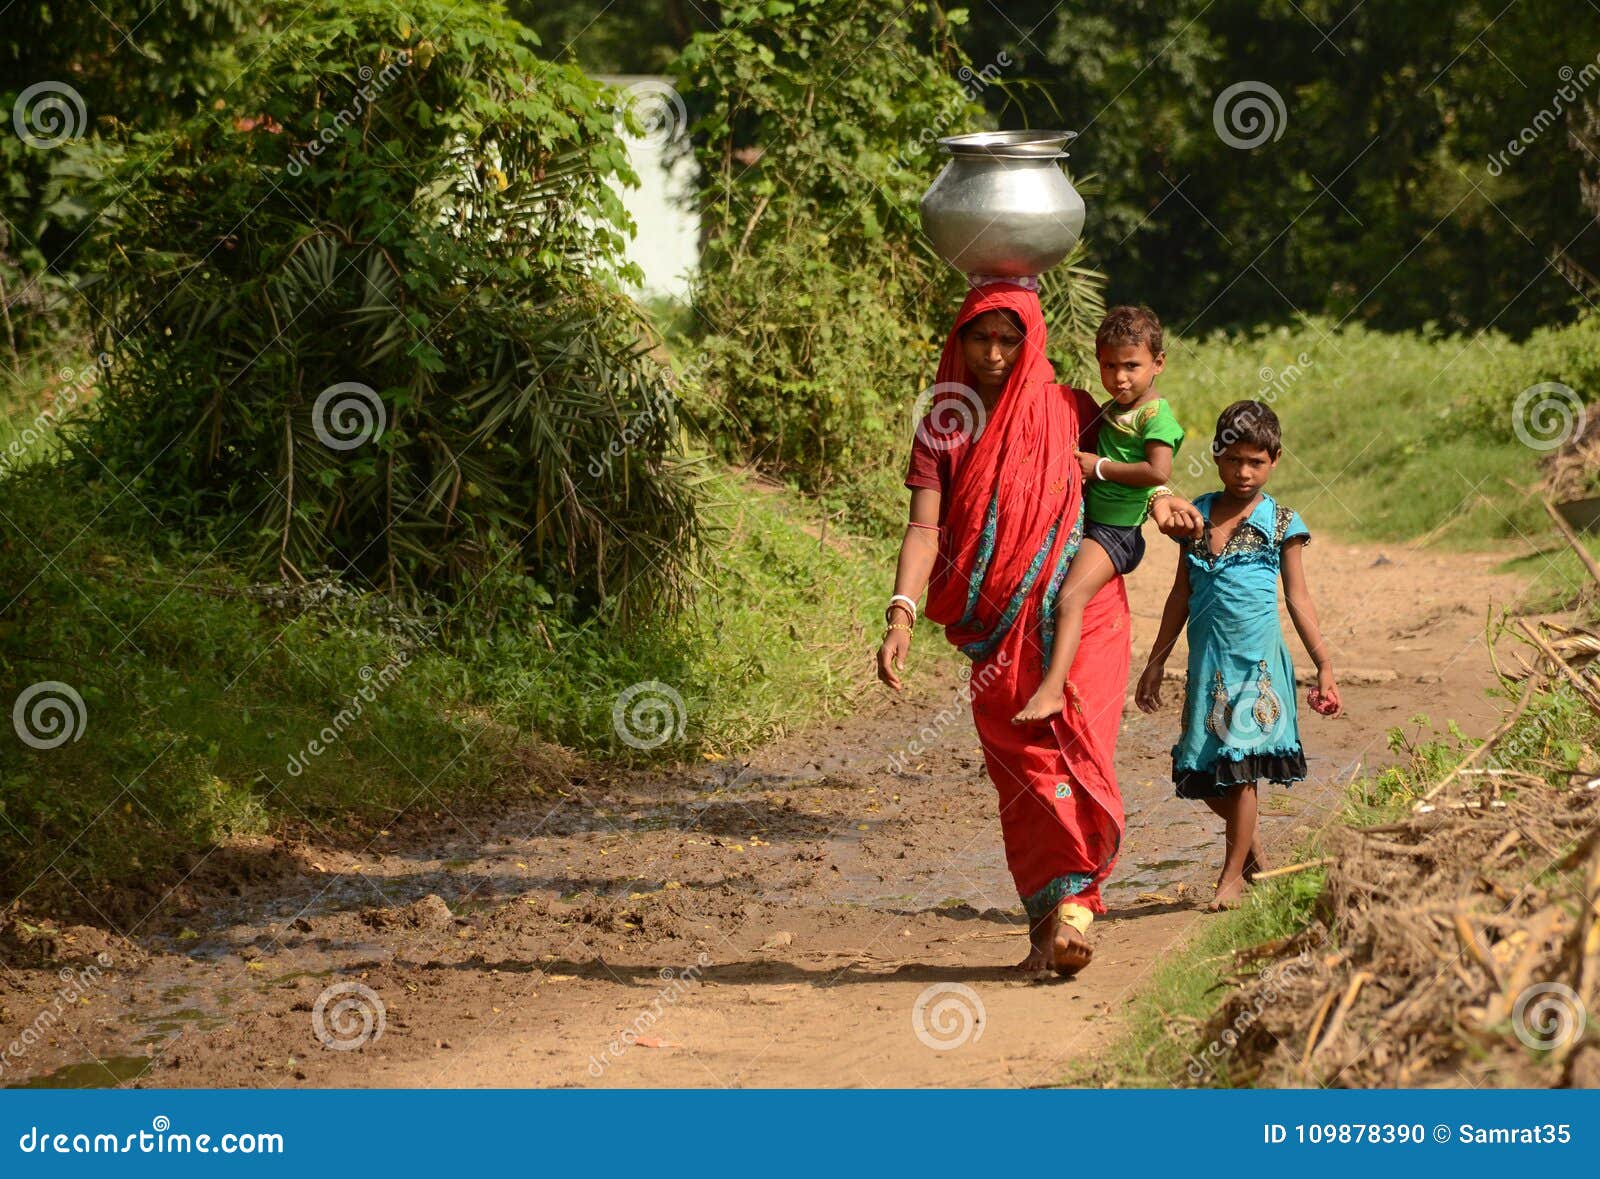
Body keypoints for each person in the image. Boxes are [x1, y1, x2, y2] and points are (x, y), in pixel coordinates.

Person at [875, 280, 1204, 976]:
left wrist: (1168, 495)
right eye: (980, 337)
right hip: (995, 632)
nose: (994, 353)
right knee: (1024, 776)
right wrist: (901, 610)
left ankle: (1079, 912)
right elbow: (923, 528)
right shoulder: (945, 420)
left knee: (1075, 756)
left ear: (1032, 342)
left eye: (1008, 338)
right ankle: (1045, 927)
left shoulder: (1070, 409)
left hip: (1084, 616)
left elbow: (1129, 475)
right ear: (958, 340)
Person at [1134, 400, 1341, 910]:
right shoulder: (1194, 516)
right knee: (1196, 772)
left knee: (1242, 765)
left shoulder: (1281, 523)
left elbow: (1298, 597)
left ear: (1274, 460)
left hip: (1259, 667)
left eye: (1256, 462)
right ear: (1217, 457)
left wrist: (1324, 664)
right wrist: (1157, 659)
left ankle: (1229, 878)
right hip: (1208, 665)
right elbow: (1179, 595)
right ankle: (1253, 856)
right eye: (1234, 461)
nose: (1244, 472)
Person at [1013, 306, 1183, 724]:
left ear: (1158, 364)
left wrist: (1100, 468)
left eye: (1132, 366)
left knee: (1069, 597)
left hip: (1117, 533)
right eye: (1110, 365)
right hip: (1092, 523)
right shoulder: (1113, 407)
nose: (1120, 377)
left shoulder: (1154, 415)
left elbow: (1158, 471)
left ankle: (1052, 691)